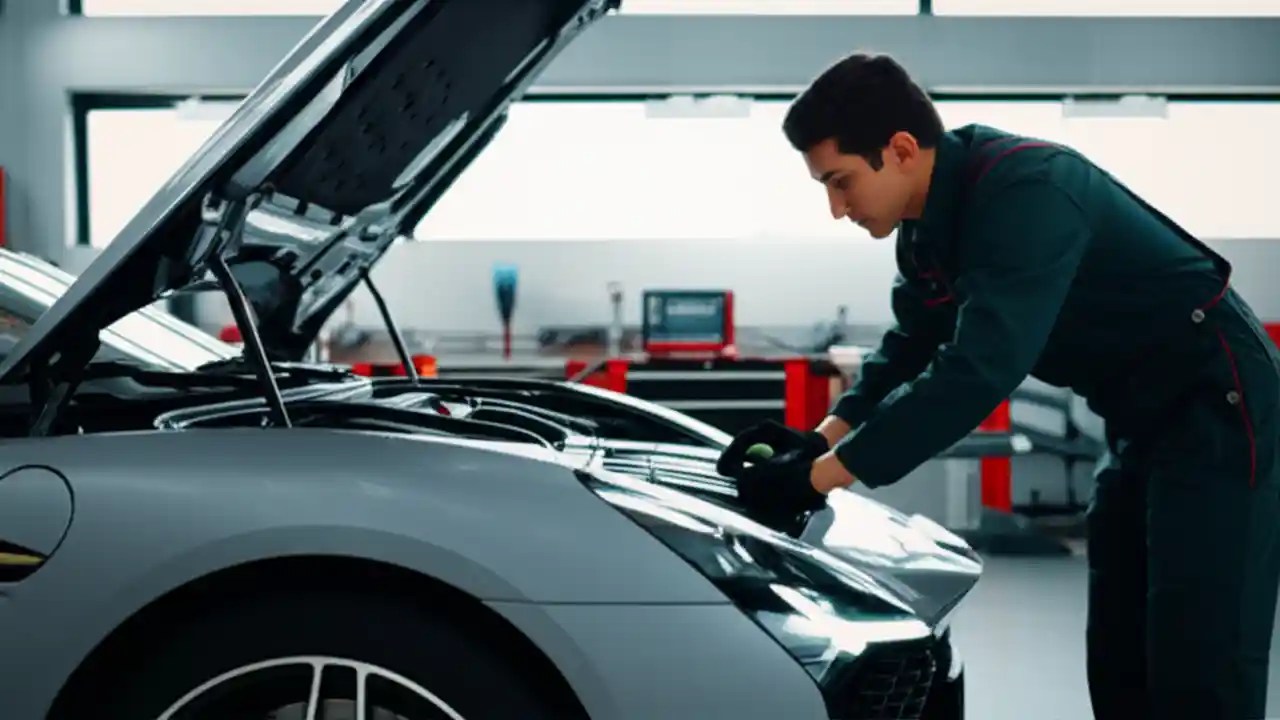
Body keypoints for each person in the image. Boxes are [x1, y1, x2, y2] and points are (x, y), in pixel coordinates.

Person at [717, 52, 1280, 720]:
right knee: (1121, 657)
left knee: (1198, 658)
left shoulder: (1026, 191)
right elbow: (911, 345)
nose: (837, 209)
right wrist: (816, 441)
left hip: (1216, 400)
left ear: (899, 150)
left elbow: (978, 368)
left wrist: (818, 480)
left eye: (840, 182)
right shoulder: (924, 228)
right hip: (1135, 419)